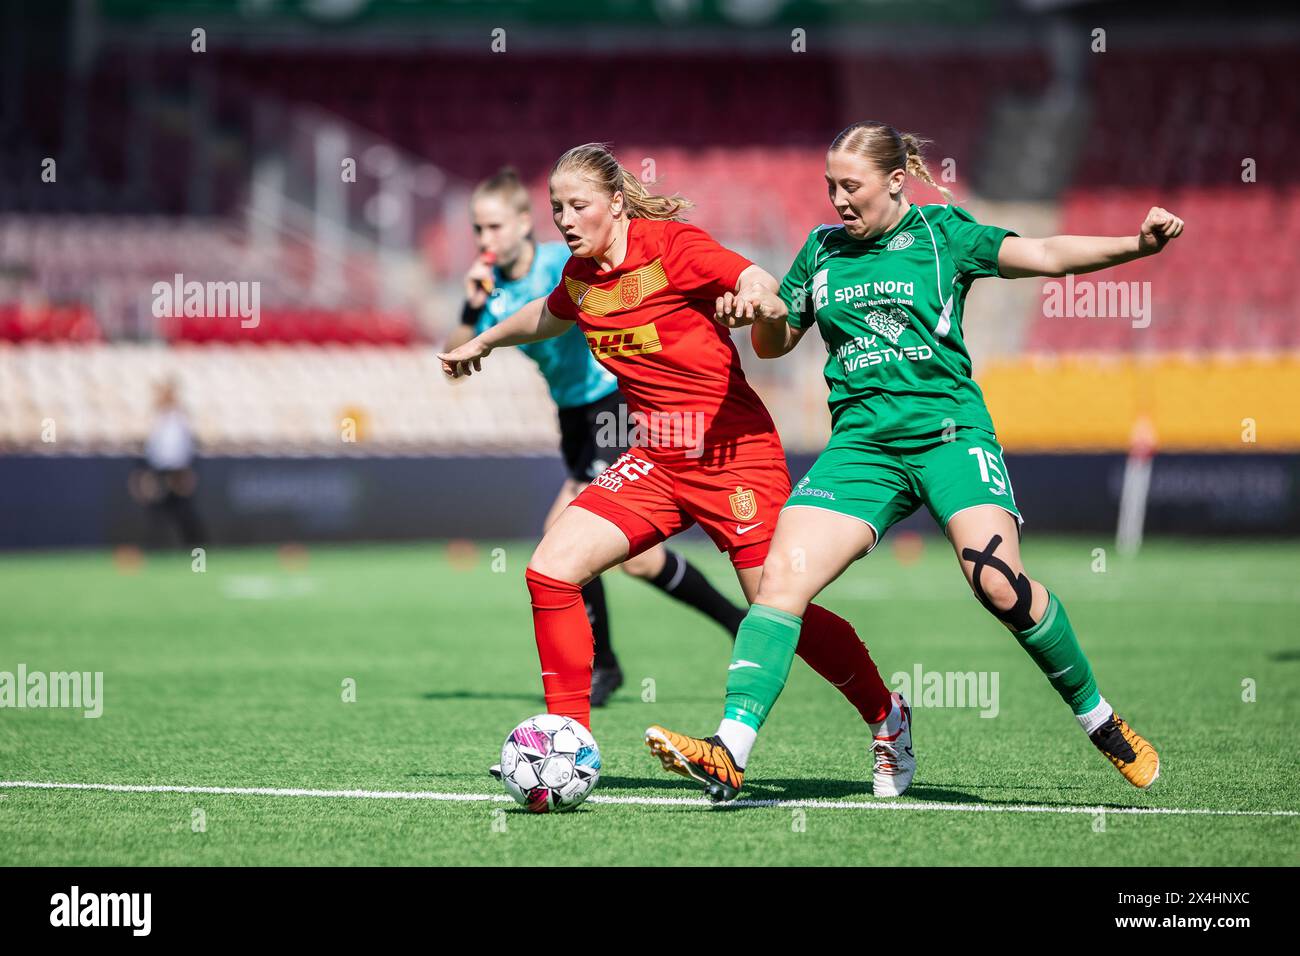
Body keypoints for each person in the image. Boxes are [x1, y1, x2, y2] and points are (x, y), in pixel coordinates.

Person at [646, 121, 1181, 801]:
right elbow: (777, 342)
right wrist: (759, 313)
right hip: (862, 449)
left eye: (851, 186)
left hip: (950, 436)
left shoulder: (943, 234)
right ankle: (732, 749)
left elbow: (1043, 251)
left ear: (895, 181)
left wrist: (1136, 245)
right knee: (782, 577)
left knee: (997, 583)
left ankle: (1103, 723)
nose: (838, 200)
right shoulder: (821, 250)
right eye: (829, 187)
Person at [440, 144, 914, 798]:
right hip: (656, 460)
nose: (566, 220)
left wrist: (751, 296)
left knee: (777, 606)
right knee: (550, 568)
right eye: (557, 209)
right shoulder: (581, 276)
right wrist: (485, 341)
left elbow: (756, 280)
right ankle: (567, 742)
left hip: (733, 454)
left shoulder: (673, 246)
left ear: (614, 203)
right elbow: (549, 315)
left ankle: (885, 714)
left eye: (578, 206)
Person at [442, 167, 747, 707]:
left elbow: (586, 305)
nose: (484, 240)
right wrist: (471, 311)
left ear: (522, 223)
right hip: (573, 420)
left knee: (560, 536)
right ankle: (732, 621)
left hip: (613, 402)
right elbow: (454, 360)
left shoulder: (562, 268)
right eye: (476, 229)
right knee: (639, 561)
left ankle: (601, 667)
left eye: (493, 227)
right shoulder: (489, 290)